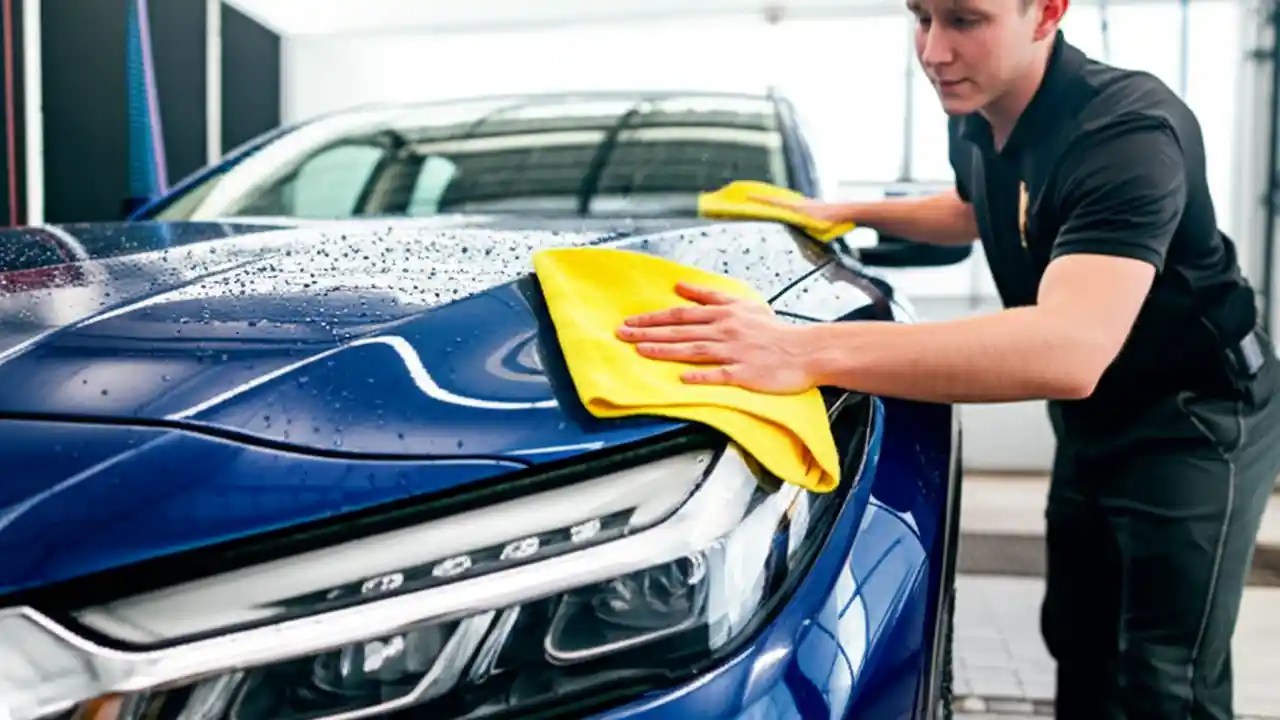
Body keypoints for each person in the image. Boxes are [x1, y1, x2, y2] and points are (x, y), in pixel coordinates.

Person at [613, 0, 1280, 716]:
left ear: (1047, 12)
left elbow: (1070, 347)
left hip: (1196, 418)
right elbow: (973, 207)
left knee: (1162, 673)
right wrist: (843, 213)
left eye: (964, 20)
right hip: (1096, 420)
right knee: (1078, 636)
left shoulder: (1127, 133)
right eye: (921, 16)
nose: (933, 52)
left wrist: (801, 348)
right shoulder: (980, 105)